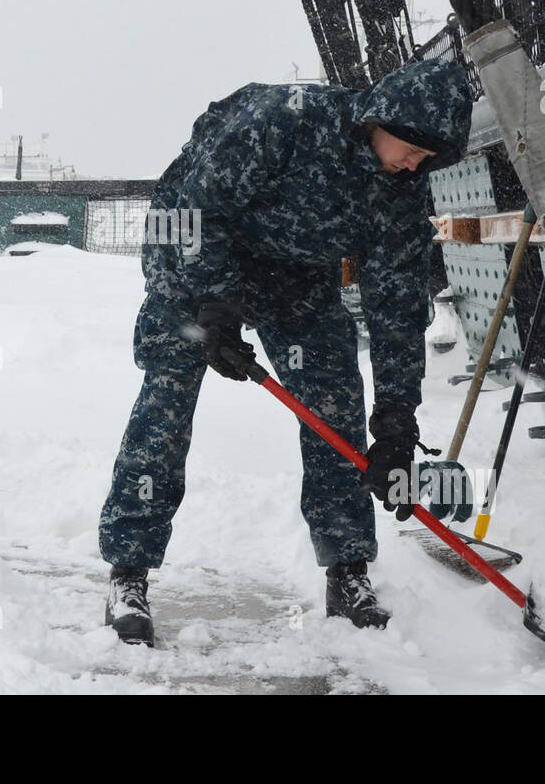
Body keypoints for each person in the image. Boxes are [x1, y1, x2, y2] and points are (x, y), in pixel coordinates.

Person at [98, 57, 474, 646]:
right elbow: (200, 205)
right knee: (168, 400)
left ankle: (347, 569)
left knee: (334, 399)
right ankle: (129, 572)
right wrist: (215, 308)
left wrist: (398, 421)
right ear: (380, 117)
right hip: (191, 253)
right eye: (410, 146)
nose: (413, 162)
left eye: (428, 157)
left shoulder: (402, 190)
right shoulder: (284, 121)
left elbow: (396, 303)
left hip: (294, 278)